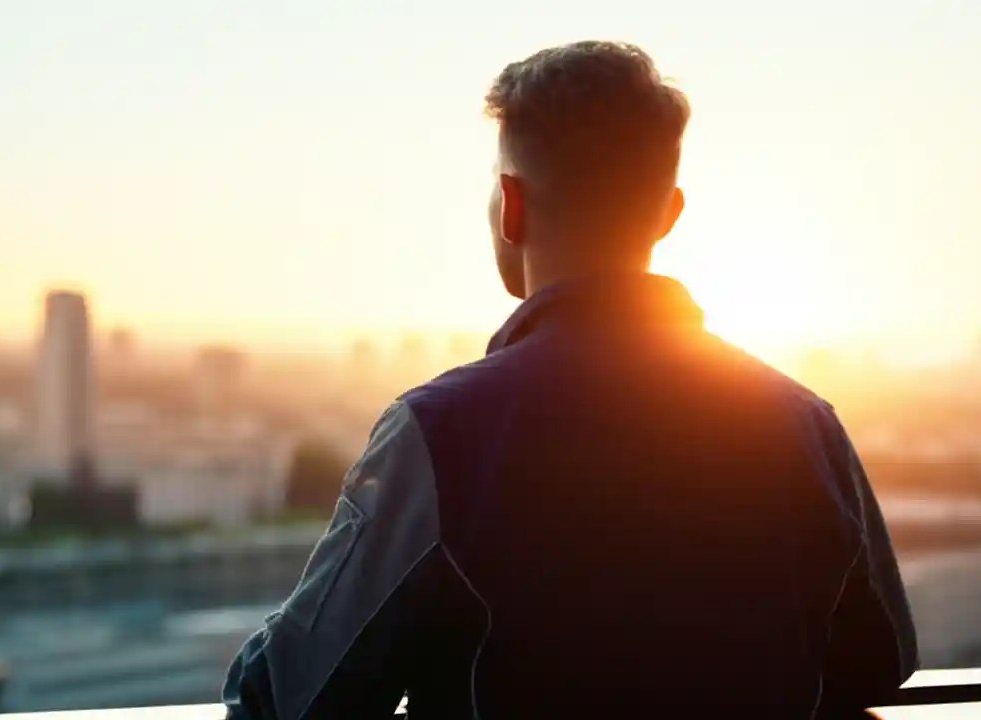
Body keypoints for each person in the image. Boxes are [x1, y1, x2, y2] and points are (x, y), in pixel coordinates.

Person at [222, 40, 917, 719]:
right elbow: (875, 661)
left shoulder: (441, 434)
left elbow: (291, 700)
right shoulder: (801, 422)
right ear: (668, 214)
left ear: (511, 204)